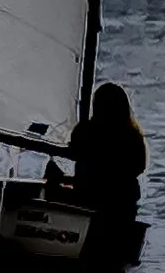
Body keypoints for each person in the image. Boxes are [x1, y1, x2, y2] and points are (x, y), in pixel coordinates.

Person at [58, 82, 148, 224]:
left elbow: (93, 175)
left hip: (89, 202)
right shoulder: (132, 136)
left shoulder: (87, 132)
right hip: (124, 207)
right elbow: (136, 168)